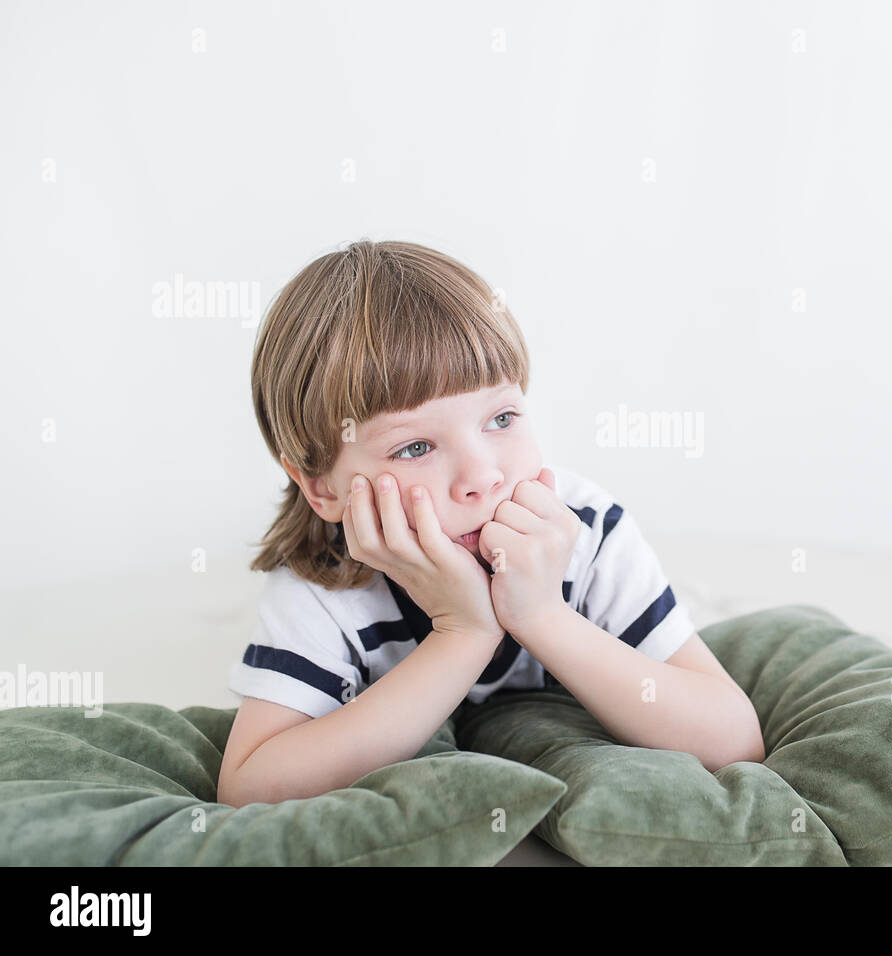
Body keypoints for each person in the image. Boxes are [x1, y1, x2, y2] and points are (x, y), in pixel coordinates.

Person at [218, 239, 764, 807]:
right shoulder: (322, 584)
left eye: (501, 418)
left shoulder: (585, 531)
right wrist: (464, 633)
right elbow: (250, 787)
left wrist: (541, 614)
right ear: (322, 487)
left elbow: (732, 739)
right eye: (415, 447)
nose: (482, 475)